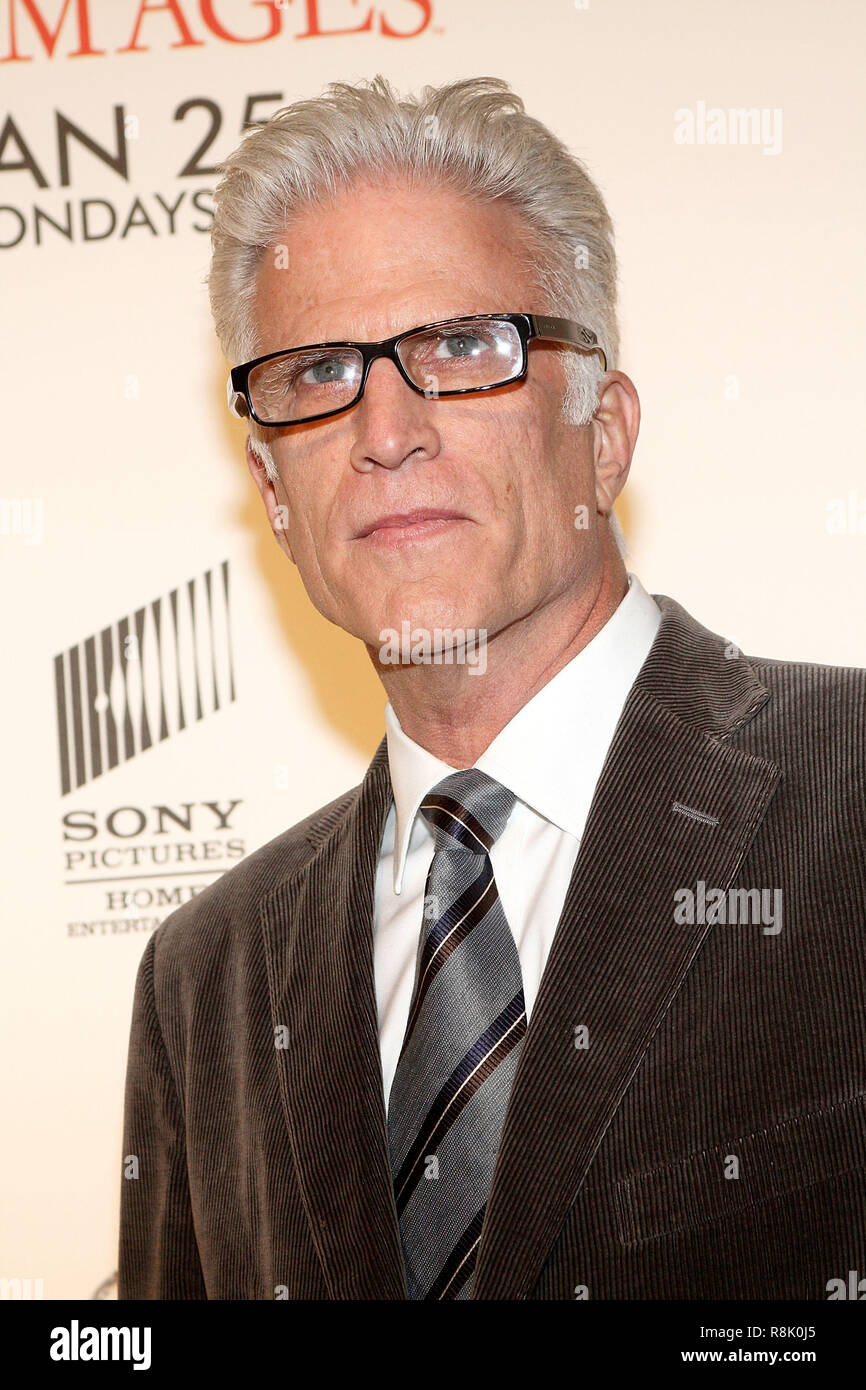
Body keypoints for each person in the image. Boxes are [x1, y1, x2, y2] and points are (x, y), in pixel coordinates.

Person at [118, 75, 866, 1300]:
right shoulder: (205, 979)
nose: (386, 429)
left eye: (461, 346)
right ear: (269, 493)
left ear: (605, 431)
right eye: (316, 374)